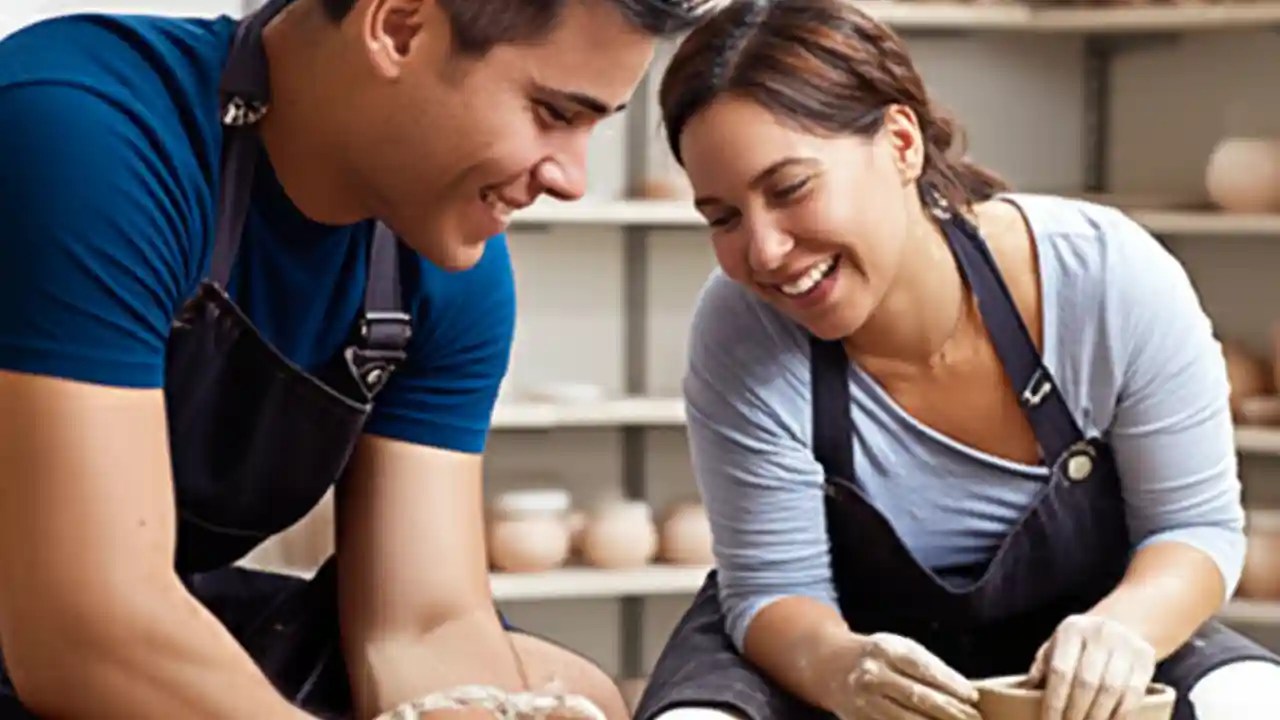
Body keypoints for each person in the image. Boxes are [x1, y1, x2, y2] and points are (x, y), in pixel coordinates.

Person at [0, 0, 720, 718]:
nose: (571, 178)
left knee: (567, 695)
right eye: (553, 114)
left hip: (107, 617)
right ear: (398, 27)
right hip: (56, 627)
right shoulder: (88, 132)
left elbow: (421, 626)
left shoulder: (445, 268)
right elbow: (88, 629)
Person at [629, 1, 1280, 719]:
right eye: (722, 217)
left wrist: (1122, 630)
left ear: (901, 142)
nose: (764, 252)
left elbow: (1196, 529)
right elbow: (775, 590)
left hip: (1082, 637)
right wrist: (842, 669)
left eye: (790, 189)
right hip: (838, 653)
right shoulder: (741, 327)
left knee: (1250, 701)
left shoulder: (1105, 275)